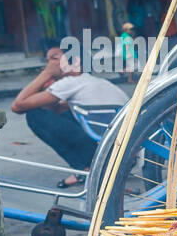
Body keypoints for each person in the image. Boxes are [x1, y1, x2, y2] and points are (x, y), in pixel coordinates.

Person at [10, 47, 128, 187]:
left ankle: (83, 170)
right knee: (60, 112)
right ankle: (86, 168)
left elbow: (17, 106)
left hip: (106, 150)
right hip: (125, 150)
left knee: (35, 115)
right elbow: (57, 108)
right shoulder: (97, 82)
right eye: (48, 62)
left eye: (55, 59)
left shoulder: (70, 82)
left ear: (76, 62)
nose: (50, 65)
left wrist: (46, 74)